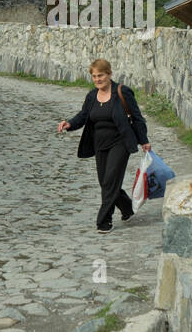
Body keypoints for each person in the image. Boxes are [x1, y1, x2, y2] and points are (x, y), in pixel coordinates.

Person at [57, 59, 150, 233]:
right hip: (99, 143)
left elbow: (137, 117)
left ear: (109, 74)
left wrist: (144, 140)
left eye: (100, 75)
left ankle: (104, 221)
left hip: (120, 142)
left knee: (109, 181)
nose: (97, 79)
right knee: (105, 182)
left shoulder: (122, 92)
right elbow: (83, 115)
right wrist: (69, 124)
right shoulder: (92, 96)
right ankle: (127, 208)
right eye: (94, 76)